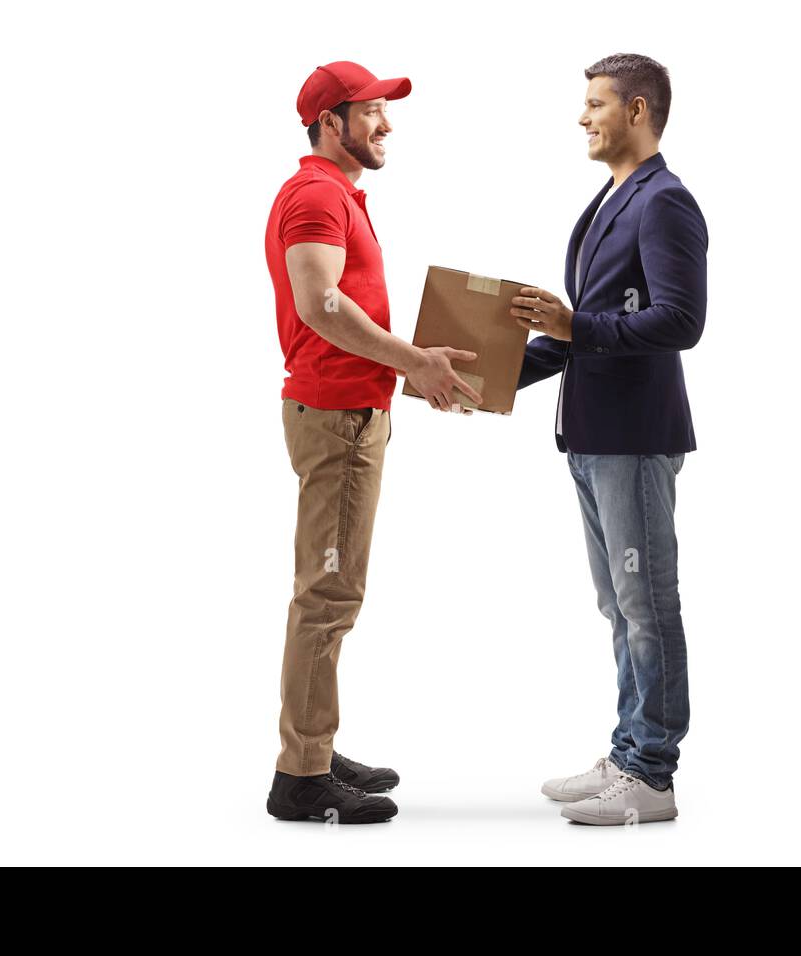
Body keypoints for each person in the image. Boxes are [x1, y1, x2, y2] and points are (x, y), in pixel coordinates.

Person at [264, 61, 482, 824]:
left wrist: (415, 370)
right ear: (331, 123)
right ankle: (301, 775)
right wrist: (416, 362)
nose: (386, 124)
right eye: (371, 112)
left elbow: (339, 307)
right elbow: (321, 304)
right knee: (326, 596)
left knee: (332, 593)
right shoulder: (318, 195)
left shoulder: (337, 195)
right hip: (336, 420)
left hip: (349, 413)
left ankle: (315, 746)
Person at [511, 54, 708, 825]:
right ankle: (630, 749)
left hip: (633, 437)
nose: (583, 118)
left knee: (646, 602)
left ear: (636, 110)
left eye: (595, 104)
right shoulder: (608, 201)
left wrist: (574, 323)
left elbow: (681, 321)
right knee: (619, 604)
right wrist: (480, 383)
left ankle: (652, 776)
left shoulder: (666, 203)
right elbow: (577, 337)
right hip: (592, 438)